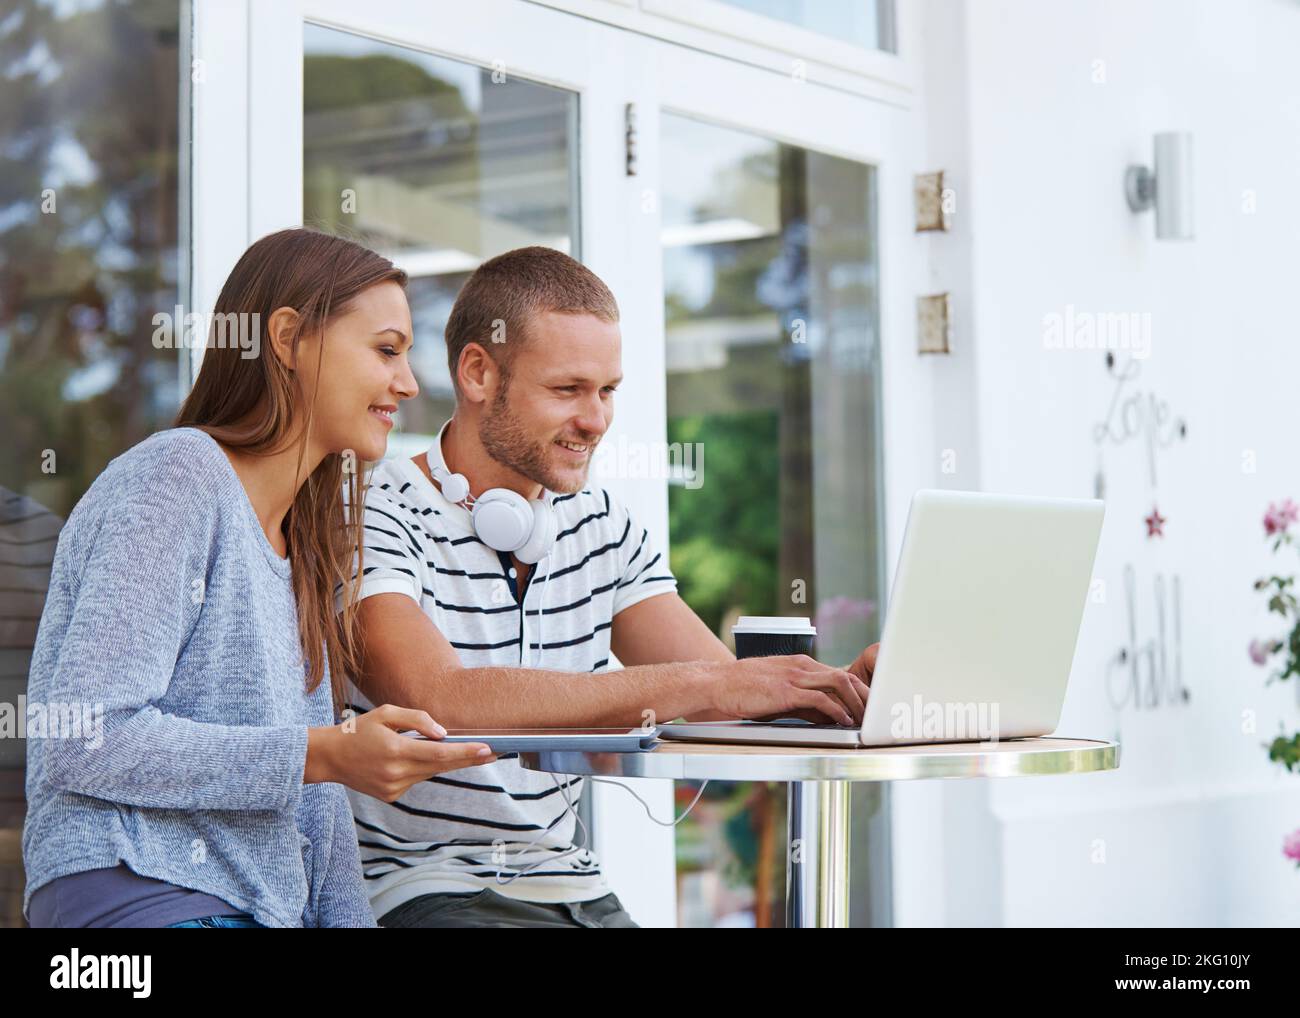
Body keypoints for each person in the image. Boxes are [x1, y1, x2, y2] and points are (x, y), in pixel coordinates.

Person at [345, 245, 880, 929]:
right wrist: (705, 687)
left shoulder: (600, 521)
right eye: (568, 390)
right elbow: (438, 698)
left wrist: (836, 694)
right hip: (422, 890)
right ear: (478, 372)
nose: (596, 421)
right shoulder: (370, 510)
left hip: (567, 883)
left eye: (608, 391)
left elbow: (726, 697)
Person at [22, 228, 497, 928]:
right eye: (386, 349)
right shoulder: (178, 475)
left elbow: (317, 805)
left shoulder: (303, 545)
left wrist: (326, 762)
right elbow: (85, 737)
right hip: (141, 893)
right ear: (286, 338)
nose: (408, 382)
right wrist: (323, 753)